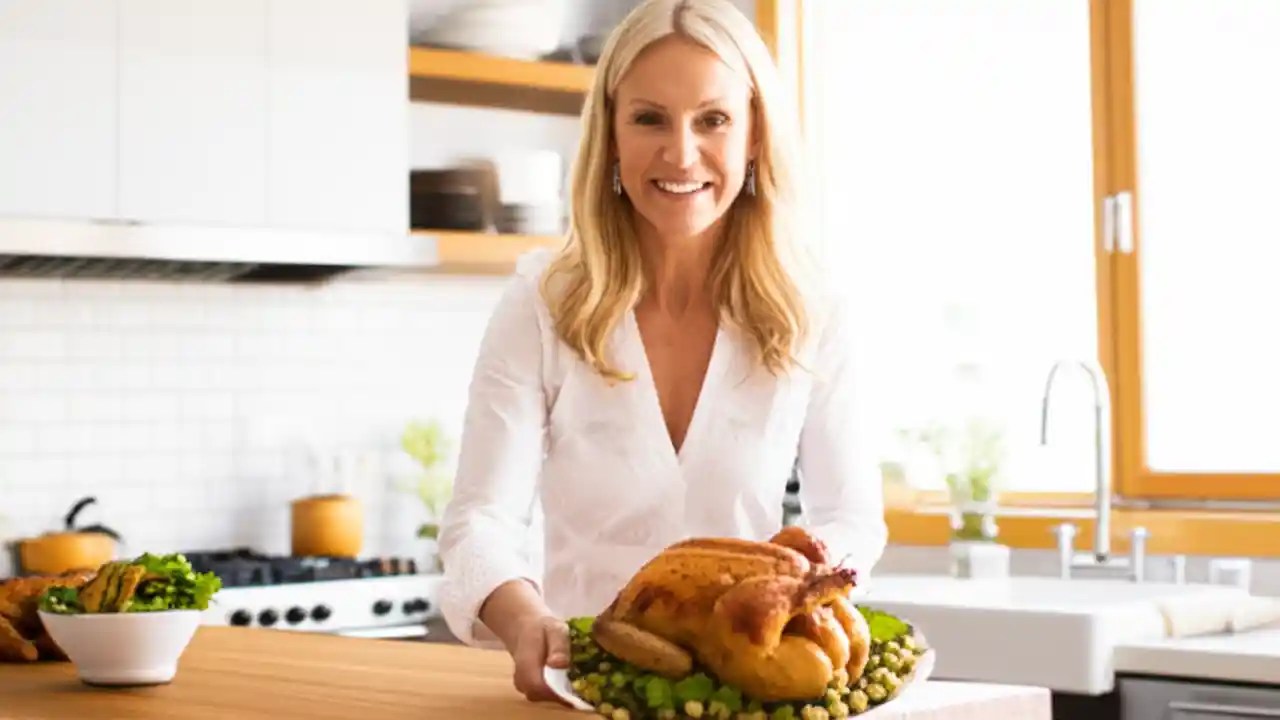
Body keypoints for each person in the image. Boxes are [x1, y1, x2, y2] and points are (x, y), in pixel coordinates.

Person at [436, 0, 888, 704]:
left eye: (713, 120)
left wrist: (802, 585)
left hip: (749, 695)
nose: (681, 153)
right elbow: (479, 522)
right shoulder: (541, 301)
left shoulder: (812, 310)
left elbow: (852, 516)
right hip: (588, 689)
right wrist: (526, 620)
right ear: (611, 136)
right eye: (650, 118)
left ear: (755, 135)